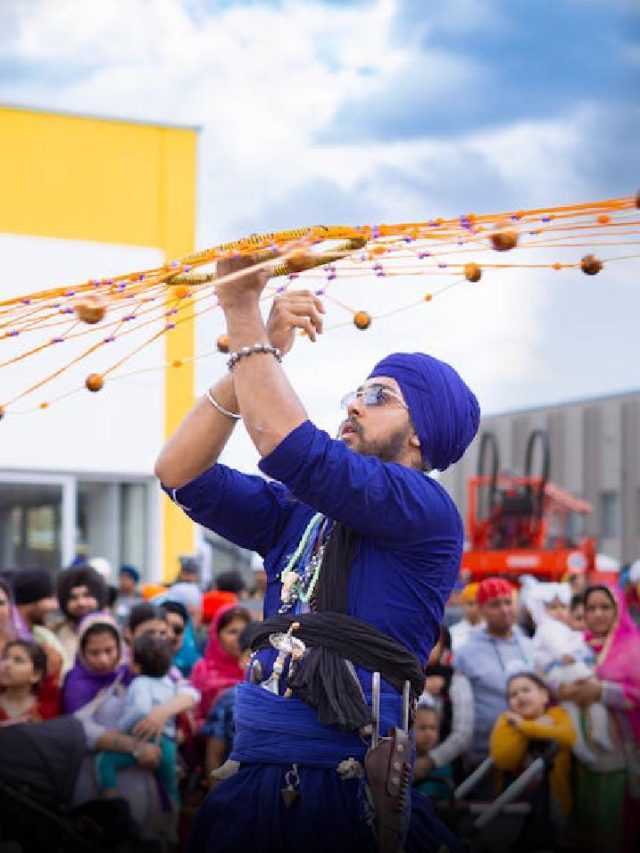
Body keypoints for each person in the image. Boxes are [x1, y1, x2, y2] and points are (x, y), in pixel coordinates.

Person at [154, 267, 479, 853]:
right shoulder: (300, 512)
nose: (355, 403)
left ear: (420, 436)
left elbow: (293, 447)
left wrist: (242, 314)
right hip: (253, 781)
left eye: (379, 395)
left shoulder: (427, 510)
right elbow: (179, 473)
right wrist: (253, 361)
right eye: (355, 391)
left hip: (345, 791)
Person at [567, 585, 640, 853]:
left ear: (619, 610)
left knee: (617, 826)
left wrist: (603, 691)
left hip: (623, 752)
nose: (597, 614)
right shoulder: (574, 647)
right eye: (591, 608)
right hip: (578, 751)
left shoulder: (633, 647)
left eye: (605, 607)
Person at [455, 577, 533, 771]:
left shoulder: (529, 644)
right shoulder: (466, 652)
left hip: (530, 755)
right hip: (484, 759)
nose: (504, 610)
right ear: (481, 610)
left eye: (508, 602)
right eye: (495, 604)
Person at [528, 582, 611, 763]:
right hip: (560, 671)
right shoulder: (548, 627)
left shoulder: (568, 630)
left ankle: (597, 734)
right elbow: (559, 649)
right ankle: (583, 742)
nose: (559, 612)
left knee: (586, 706)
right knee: (579, 705)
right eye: (553, 607)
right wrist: (567, 656)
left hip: (569, 674)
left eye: (563, 607)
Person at [95, 634, 180, 806]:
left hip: (148, 739)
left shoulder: (140, 683)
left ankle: (111, 805)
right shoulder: (169, 683)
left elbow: (141, 709)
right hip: (169, 745)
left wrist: (121, 729)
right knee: (170, 787)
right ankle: (173, 821)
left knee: (105, 762)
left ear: (137, 666)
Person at [490, 669, 576, 832]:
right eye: (513, 695)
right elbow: (503, 760)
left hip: (553, 804)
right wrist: (526, 729)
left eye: (526, 690)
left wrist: (524, 726)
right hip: (512, 806)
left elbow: (568, 738)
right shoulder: (506, 720)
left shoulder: (558, 715)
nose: (520, 696)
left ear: (544, 695)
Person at [418, 627, 473, 782]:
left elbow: (463, 734)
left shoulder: (456, 681)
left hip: (444, 770)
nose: (424, 646)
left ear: (444, 646)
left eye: (432, 642)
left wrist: (429, 761)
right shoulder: (399, 678)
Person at [189, 604, 251, 730]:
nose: (240, 638)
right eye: (232, 632)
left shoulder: (257, 669)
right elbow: (194, 716)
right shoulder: (203, 670)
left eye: (245, 632)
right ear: (217, 636)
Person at [61, 612, 127, 714]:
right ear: (82, 652)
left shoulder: (128, 673)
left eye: (108, 651)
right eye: (94, 653)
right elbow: (77, 722)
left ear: (119, 647)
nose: (103, 660)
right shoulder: (75, 684)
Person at [55, 564, 108, 671]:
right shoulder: (57, 636)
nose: (81, 603)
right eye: (74, 598)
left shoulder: (112, 632)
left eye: (87, 595)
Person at [412, 699, 454, 801]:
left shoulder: (443, 768)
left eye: (433, 728)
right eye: (422, 728)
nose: (428, 734)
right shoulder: (400, 762)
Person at [0, 639, 49, 725]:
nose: (7, 664)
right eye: (5, 658)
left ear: (35, 675)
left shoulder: (45, 712)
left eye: (18, 660)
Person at [161, 598, 202, 678]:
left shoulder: (197, 669)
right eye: (163, 629)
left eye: (177, 629)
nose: (170, 635)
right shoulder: (139, 666)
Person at [449, 581, 482, 653]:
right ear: (462, 605)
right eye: (471, 603)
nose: (475, 607)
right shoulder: (454, 632)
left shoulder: (493, 630)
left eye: (479, 603)